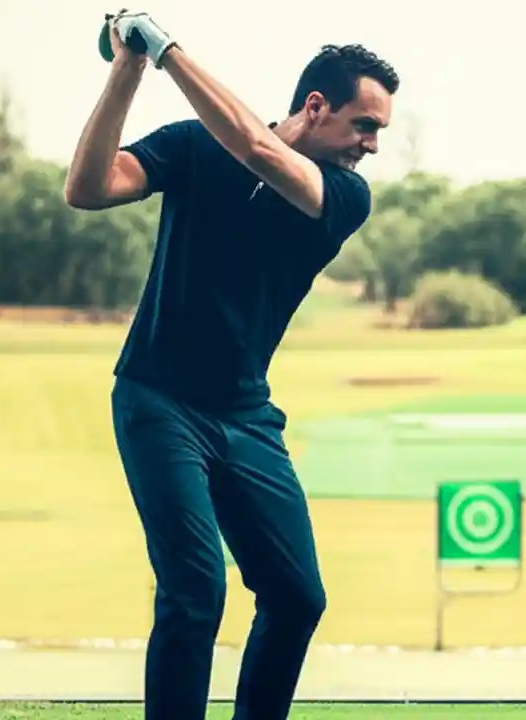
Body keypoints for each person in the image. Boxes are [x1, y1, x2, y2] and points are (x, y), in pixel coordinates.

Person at [63, 9, 399, 720]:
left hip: (246, 416)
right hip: (157, 401)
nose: (372, 145)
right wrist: (128, 67)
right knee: (195, 589)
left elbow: (256, 149)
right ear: (316, 106)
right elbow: (87, 188)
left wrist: (163, 46)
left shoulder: (345, 195)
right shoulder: (192, 146)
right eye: (365, 125)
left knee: (297, 596)